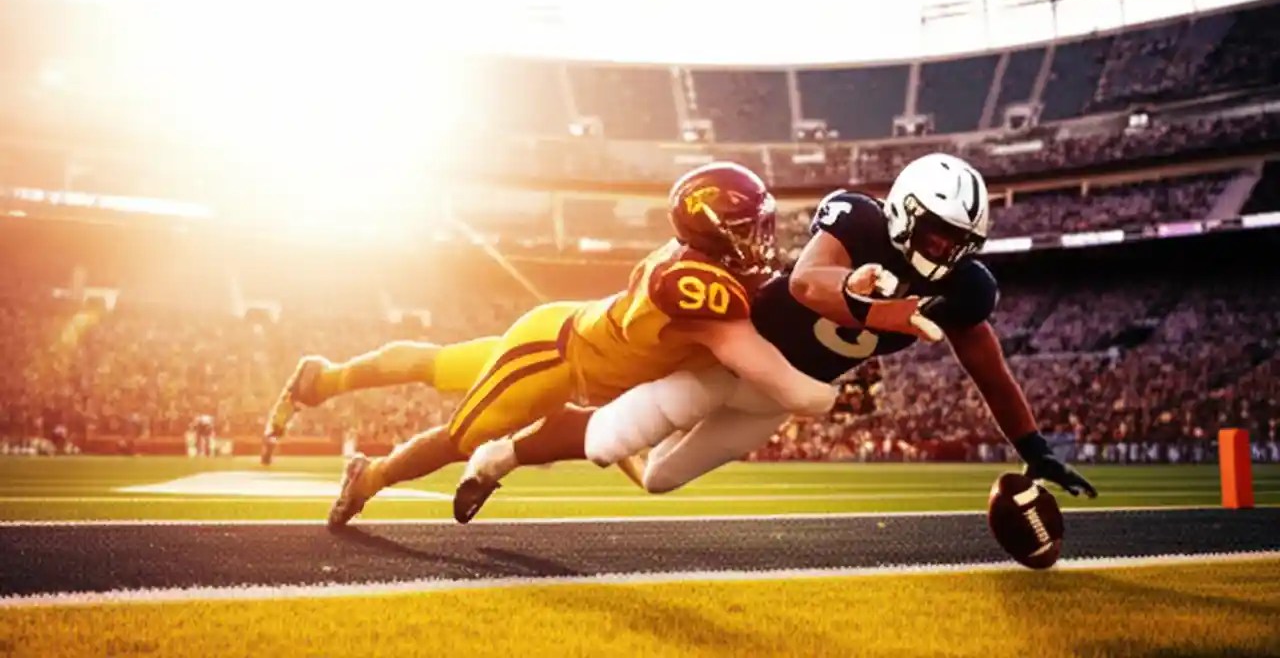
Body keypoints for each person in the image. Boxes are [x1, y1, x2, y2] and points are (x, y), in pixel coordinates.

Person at [455, 154, 1097, 521]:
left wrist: (1034, 449)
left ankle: (574, 435)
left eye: (957, 243)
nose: (945, 252)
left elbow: (992, 371)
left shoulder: (965, 288)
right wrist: (879, 310)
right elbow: (807, 284)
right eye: (935, 236)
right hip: (737, 357)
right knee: (607, 440)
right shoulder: (862, 221)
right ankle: (497, 461)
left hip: (781, 397)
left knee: (658, 480)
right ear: (904, 213)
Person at [261, 163, 895, 526]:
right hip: (552, 356)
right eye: (747, 226)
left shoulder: (714, 270)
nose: (762, 238)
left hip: (581, 344)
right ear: (713, 232)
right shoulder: (697, 286)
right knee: (462, 436)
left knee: (439, 362)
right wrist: (836, 390)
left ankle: (325, 377)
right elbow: (763, 365)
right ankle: (367, 475)